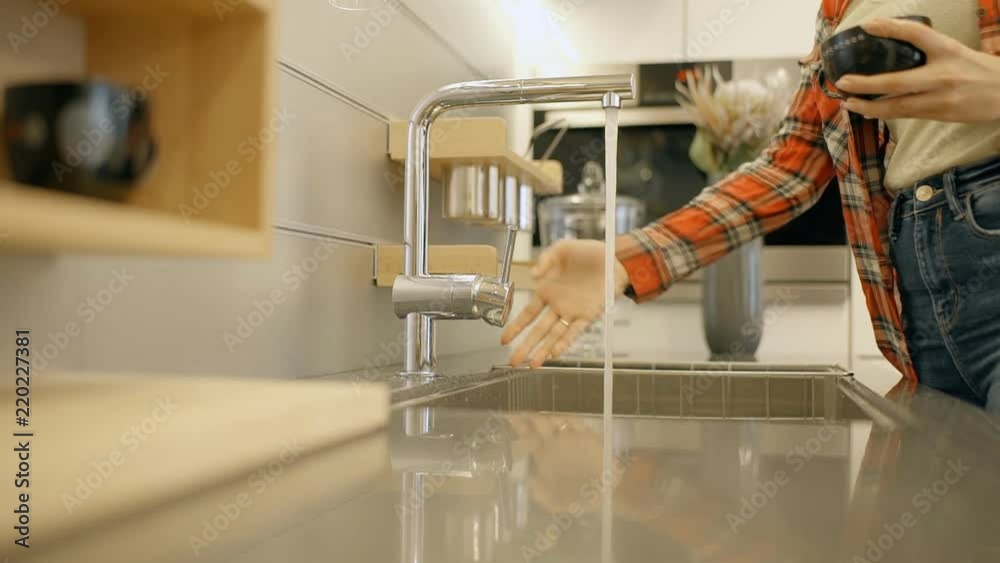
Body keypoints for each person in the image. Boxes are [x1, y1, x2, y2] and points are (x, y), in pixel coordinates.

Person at [501, 0, 1000, 413]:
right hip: (917, 295)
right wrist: (624, 259)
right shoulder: (838, 9)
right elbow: (789, 170)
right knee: (957, 516)